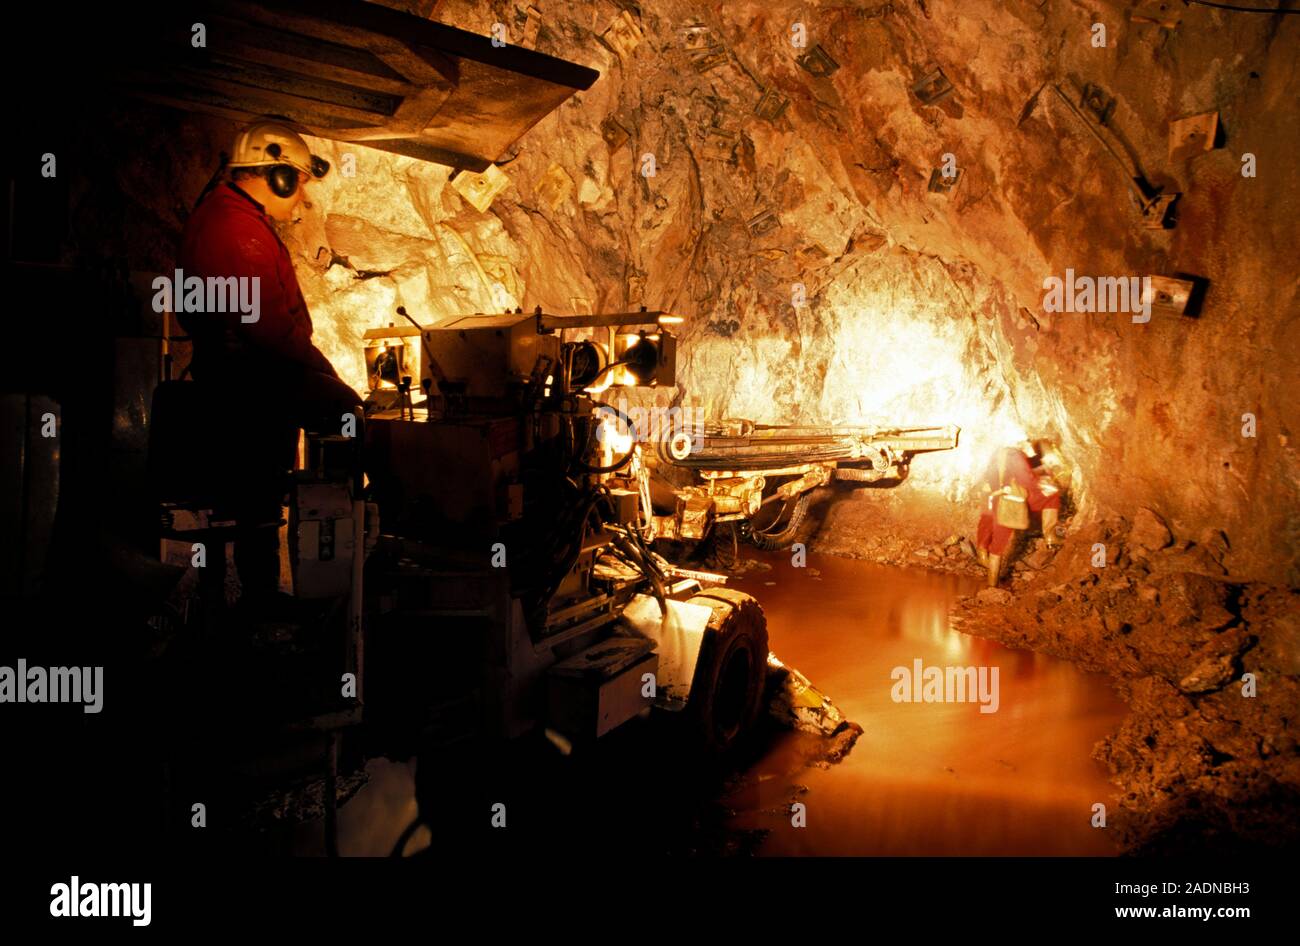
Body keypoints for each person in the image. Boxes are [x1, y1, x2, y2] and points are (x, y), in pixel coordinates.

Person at [176, 119, 362, 607]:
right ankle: (360, 558)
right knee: (352, 417)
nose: (302, 197)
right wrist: (328, 375)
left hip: (236, 376)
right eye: (299, 182)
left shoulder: (224, 215)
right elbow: (269, 328)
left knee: (257, 496)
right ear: (276, 175)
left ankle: (264, 589)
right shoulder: (238, 228)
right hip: (253, 378)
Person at [975, 440, 1061, 587]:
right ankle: (1050, 536)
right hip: (1013, 503)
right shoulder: (1014, 455)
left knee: (997, 547)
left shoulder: (997, 455)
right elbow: (1026, 481)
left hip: (998, 502)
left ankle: (991, 586)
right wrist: (1043, 486)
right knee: (1053, 496)